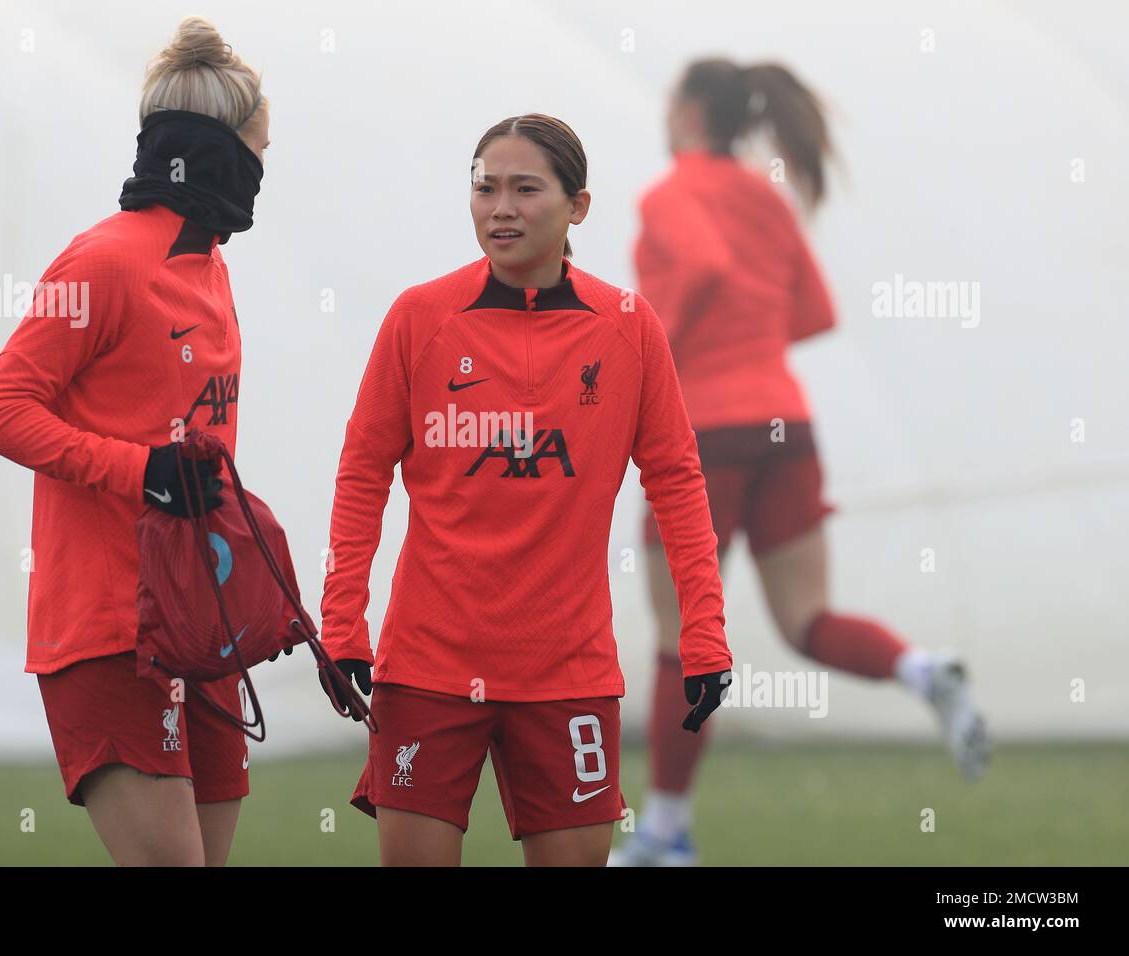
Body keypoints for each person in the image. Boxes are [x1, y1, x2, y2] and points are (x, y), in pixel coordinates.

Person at [318, 113, 733, 867]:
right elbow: (362, 472)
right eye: (484, 188)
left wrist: (703, 635)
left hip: (567, 675)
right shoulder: (419, 318)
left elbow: (676, 483)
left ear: (578, 207)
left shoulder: (630, 329)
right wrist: (344, 625)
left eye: (524, 189)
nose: (499, 208)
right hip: (426, 671)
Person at [609, 59, 990, 868]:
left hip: (705, 437)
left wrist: (648, 357)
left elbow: (705, 265)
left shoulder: (671, 192)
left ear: (686, 111)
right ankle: (921, 670)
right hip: (786, 426)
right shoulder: (766, 197)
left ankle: (667, 836)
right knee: (806, 621)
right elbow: (815, 312)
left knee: (680, 641)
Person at [0, 17, 270, 866]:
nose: (265, 171)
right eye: (260, 148)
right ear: (223, 151)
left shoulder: (211, 267)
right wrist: (143, 472)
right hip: (106, 628)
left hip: (195, 623)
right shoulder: (102, 261)